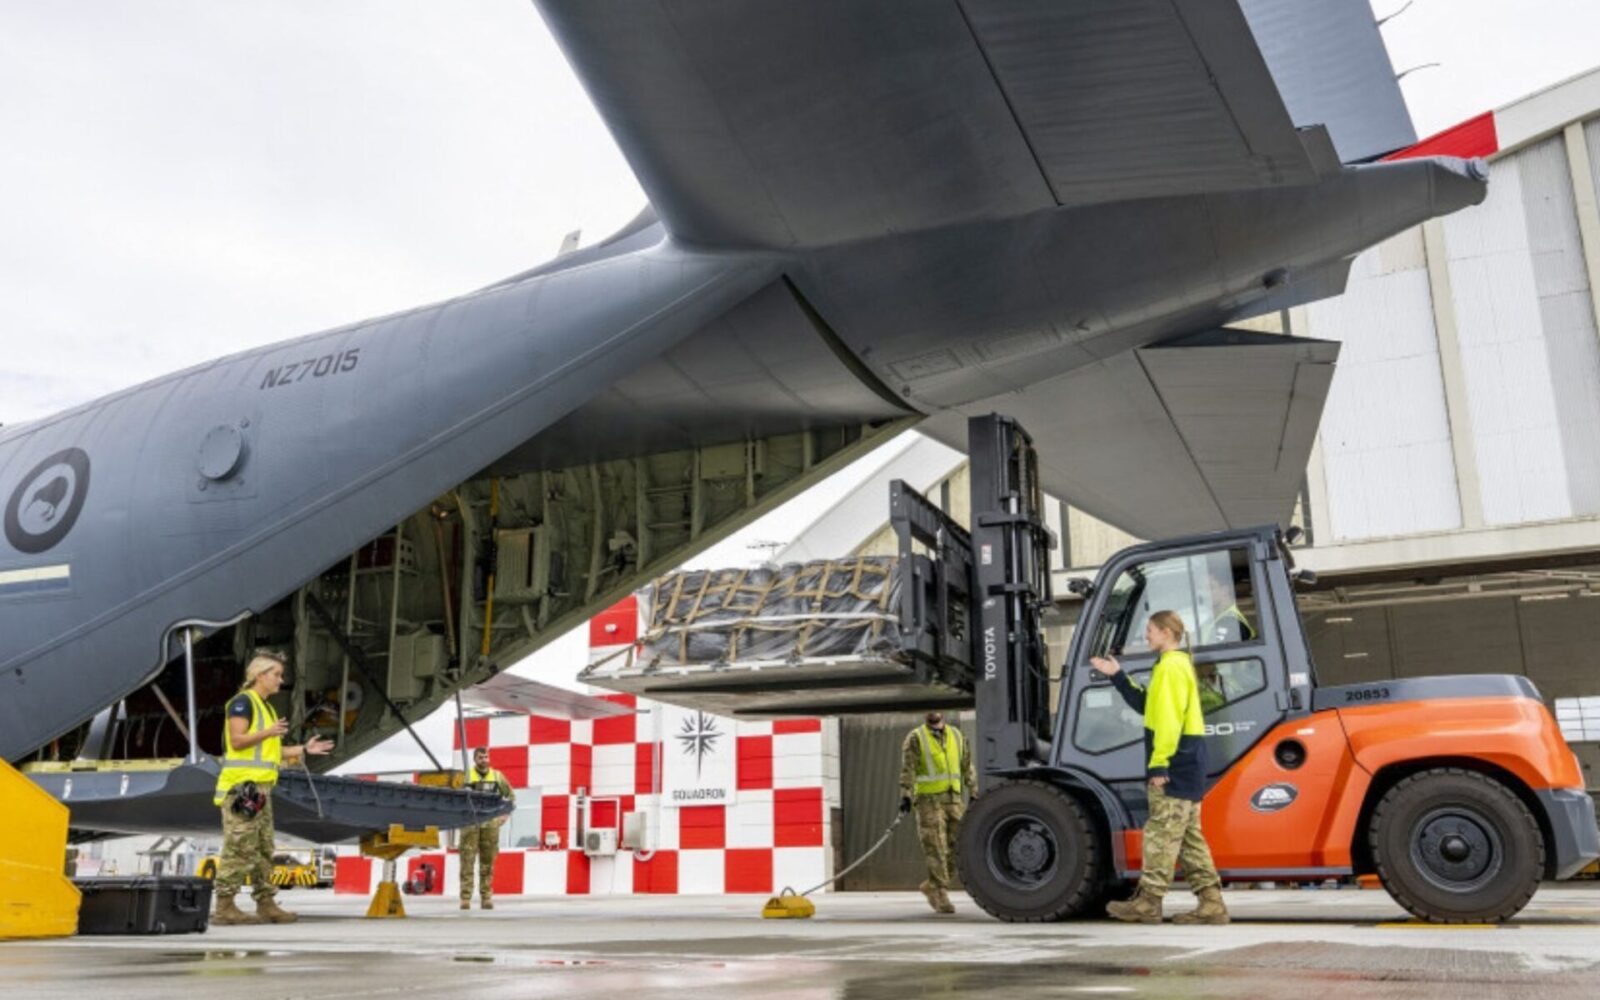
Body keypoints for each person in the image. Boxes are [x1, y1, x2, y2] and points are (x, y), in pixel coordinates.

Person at [1090, 611, 1228, 925]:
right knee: (1190, 839)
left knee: (1160, 834)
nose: (1146, 635)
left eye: (1150, 630)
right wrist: (1117, 675)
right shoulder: (1175, 665)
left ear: (1166, 632)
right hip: (1188, 762)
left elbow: (1168, 721)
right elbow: (1147, 705)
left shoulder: (1170, 668)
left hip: (1174, 763)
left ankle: (1148, 902)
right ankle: (1212, 903)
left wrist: (1159, 763)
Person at [211, 652, 334, 926]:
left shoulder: (265, 708)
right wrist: (268, 732)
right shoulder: (243, 703)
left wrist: (303, 749)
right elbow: (237, 741)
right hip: (242, 789)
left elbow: (271, 752)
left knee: (264, 848)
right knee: (238, 848)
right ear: (260, 675)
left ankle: (266, 904)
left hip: (261, 791)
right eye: (276, 674)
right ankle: (224, 907)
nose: (280, 680)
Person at [898, 710, 976, 914]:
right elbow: (908, 768)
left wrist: (974, 791)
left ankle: (932, 885)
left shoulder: (957, 736)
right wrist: (905, 795)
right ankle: (940, 892)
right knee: (936, 847)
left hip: (954, 799)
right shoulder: (916, 737)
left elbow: (967, 765)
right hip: (928, 801)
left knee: (962, 846)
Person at [459, 747, 515, 910]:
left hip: (490, 823)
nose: (484, 760)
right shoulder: (466, 776)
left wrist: (504, 815)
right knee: (467, 861)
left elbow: (510, 797)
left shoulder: (497, 776)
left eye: (486, 757)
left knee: (488, 862)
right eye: (481, 757)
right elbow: (456, 798)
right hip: (470, 823)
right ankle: (465, 898)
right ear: (475, 759)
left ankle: (486, 897)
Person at [1206, 570, 1256, 646]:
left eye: (1211, 588)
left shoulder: (1230, 622)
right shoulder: (1213, 620)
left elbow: (1217, 651)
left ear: (1225, 590)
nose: (1205, 593)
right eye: (1203, 589)